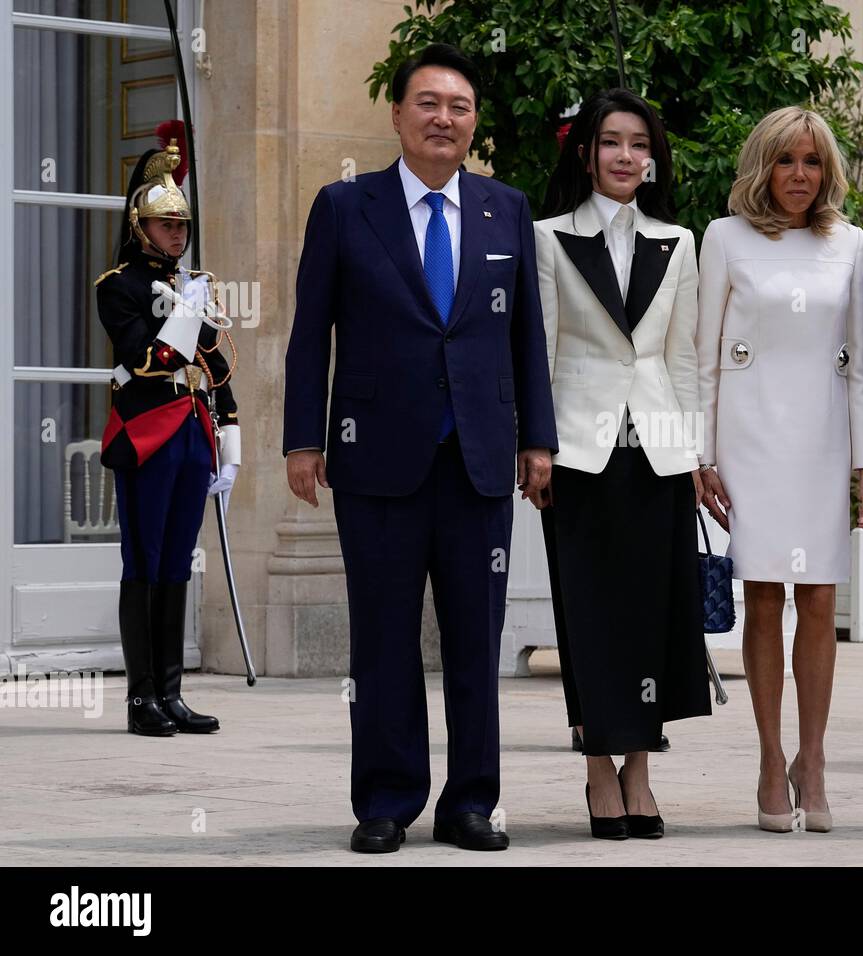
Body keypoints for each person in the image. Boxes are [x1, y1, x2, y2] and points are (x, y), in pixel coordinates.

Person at [282, 43, 557, 854]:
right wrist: (304, 439)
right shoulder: (344, 206)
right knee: (384, 638)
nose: (445, 118)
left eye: (460, 106)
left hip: (477, 458)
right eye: (429, 103)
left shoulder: (505, 208)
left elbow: (525, 339)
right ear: (398, 114)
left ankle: (472, 801)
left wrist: (536, 439)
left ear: (475, 123)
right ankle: (386, 800)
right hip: (376, 460)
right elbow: (308, 336)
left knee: (477, 637)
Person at [696, 106, 863, 834]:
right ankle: (770, 761)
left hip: (821, 440)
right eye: (785, 161)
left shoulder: (850, 243)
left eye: (811, 161)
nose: (799, 175)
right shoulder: (724, 237)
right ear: (762, 167)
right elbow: (703, 358)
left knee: (819, 598)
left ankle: (814, 760)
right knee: (764, 597)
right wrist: (699, 455)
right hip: (747, 440)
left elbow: (860, 366)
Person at [534, 88, 712, 840]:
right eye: (612, 142)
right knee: (591, 616)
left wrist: (697, 455)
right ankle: (598, 771)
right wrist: (534, 446)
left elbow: (683, 360)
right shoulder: (547, 238)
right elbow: (538, 352)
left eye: (640, 144)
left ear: (653, 159)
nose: (626, 157)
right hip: (578, 453)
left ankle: (640, 770)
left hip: (659, 456)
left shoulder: (678, 242)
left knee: (652, 619)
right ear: (586, 152)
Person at [96, 123, 238, 737]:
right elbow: (145, 359)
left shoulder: (189, 286)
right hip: (147, 428)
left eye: (183, 227)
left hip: (191, 431)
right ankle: (140, 698)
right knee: (145, 559)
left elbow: (220, 364)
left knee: (178, 560)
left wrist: (230, 431)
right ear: (140, 226)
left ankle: (172, 693)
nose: (177, 235)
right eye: (166, 226)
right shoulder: (118, 287)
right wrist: (184, 315)